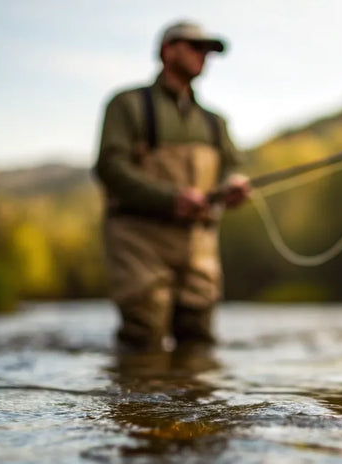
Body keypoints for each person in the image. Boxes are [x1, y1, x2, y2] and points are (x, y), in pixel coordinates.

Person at [94, 20, 251, 355]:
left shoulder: (215, 122)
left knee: (199, 342)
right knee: (143, 337)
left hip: (199, 246)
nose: (203, 55)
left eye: (207, 50)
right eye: (195, 47)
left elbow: (230, 170)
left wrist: (232, 189)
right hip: (139, 242)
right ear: (167, 50)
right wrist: (170, 198)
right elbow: (109, 167)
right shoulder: (127, 104)